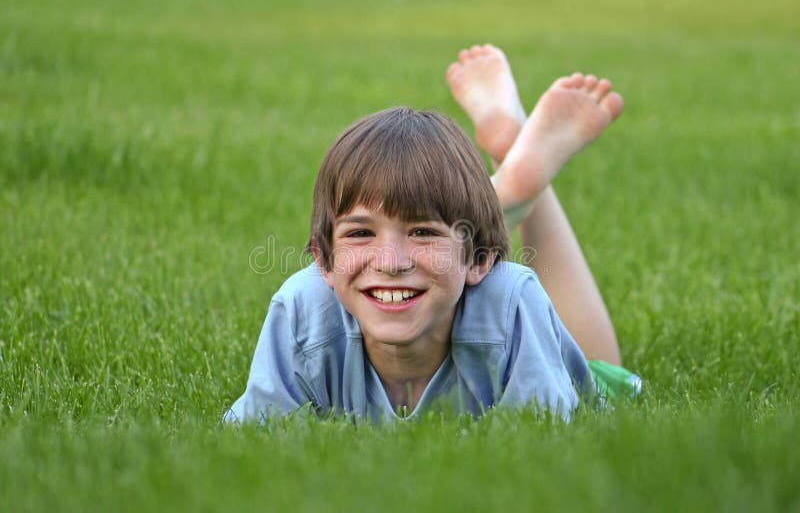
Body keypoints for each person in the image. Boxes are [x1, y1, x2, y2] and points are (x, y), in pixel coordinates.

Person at [225, 44, 627, 424]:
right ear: (323, 260)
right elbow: (252, 443)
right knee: (455, 224)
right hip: (463, 246)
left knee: (599, 370)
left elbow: (549, 442)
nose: (390, 262)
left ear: (482, 260)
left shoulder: (509, 302)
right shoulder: (303, 311)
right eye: (361, 233)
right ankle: (511, 181)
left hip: (528, 329)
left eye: (421, 231)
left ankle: (517, 178)